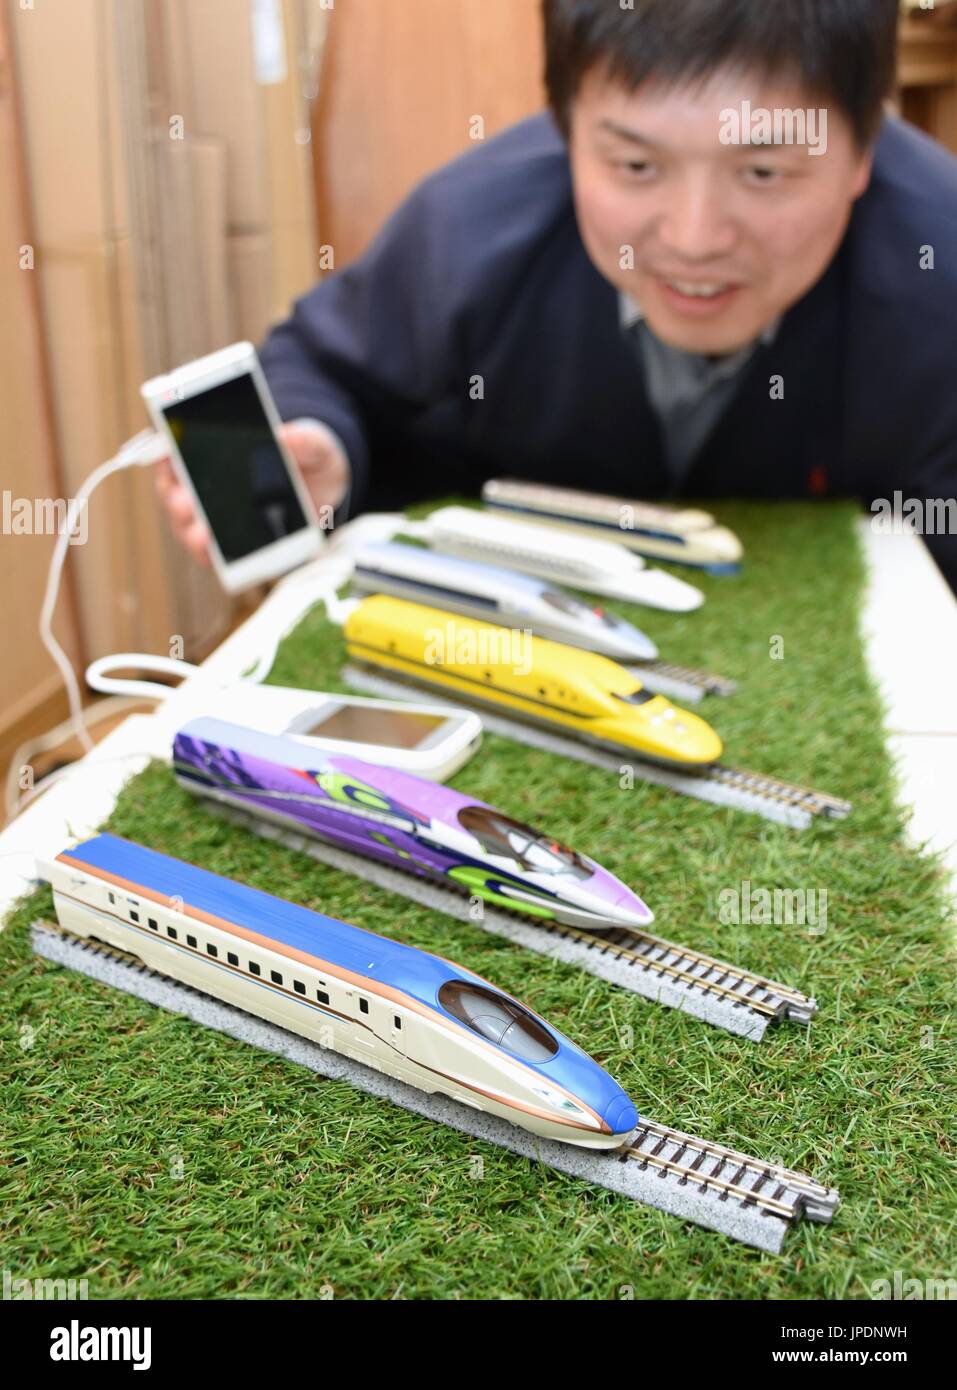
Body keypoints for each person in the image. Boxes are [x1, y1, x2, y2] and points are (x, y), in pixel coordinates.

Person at [157, 0, 957, 590]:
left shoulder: (937, 258)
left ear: (863, 152)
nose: (694, 236)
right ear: (568, 133)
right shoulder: (468, 227)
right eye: (635, 166)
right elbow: (317, 362)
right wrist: (322, 446)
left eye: (763, 172)